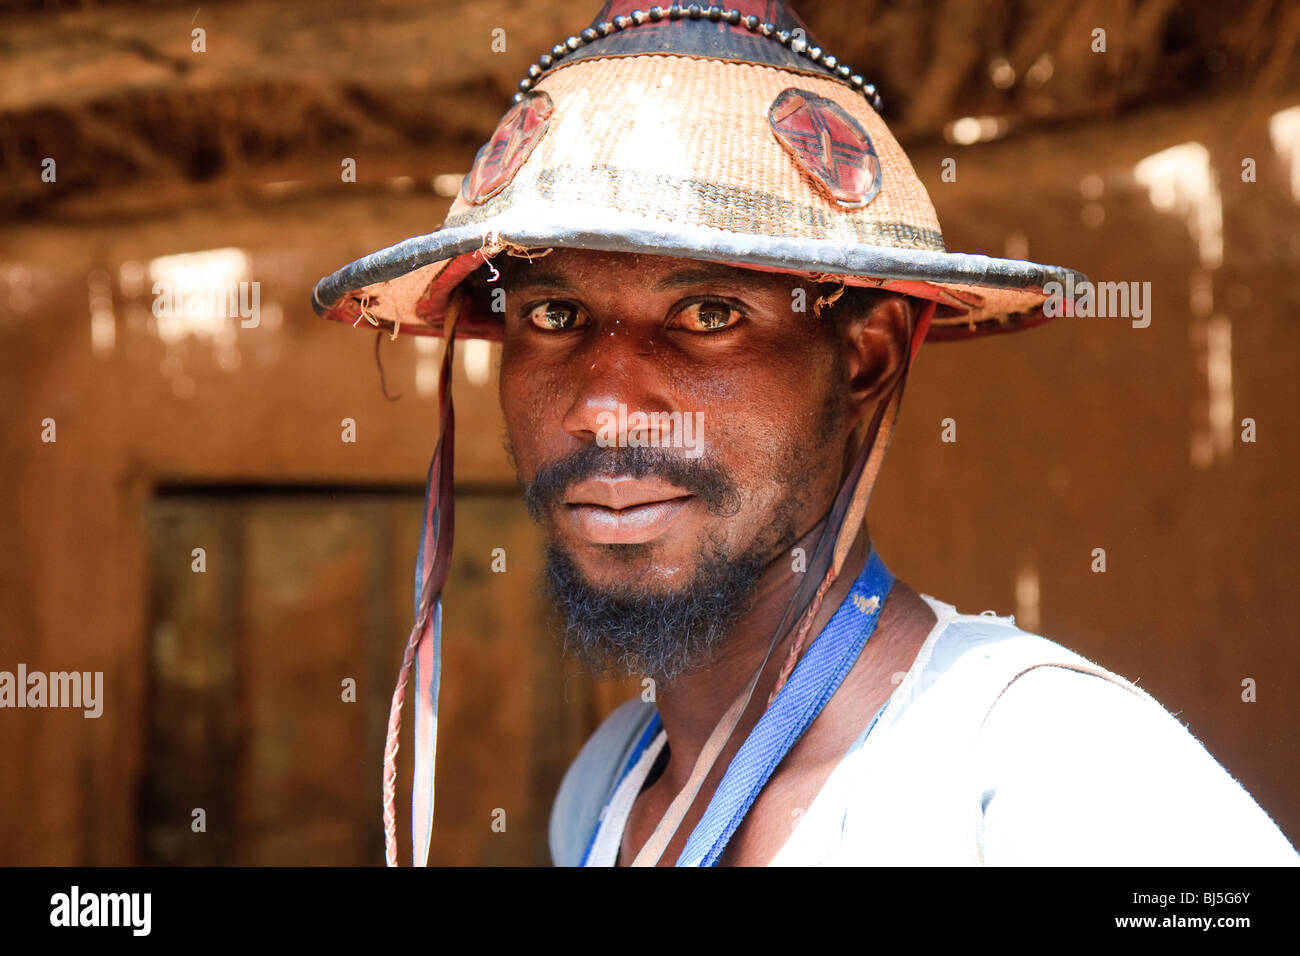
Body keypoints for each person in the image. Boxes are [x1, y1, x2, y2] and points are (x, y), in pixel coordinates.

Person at [311, 0, 1298, 866]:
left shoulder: (1048, 767)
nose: (602, 408)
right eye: (553, 316)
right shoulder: (606, 790)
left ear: (864, 358)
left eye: (706, 315)